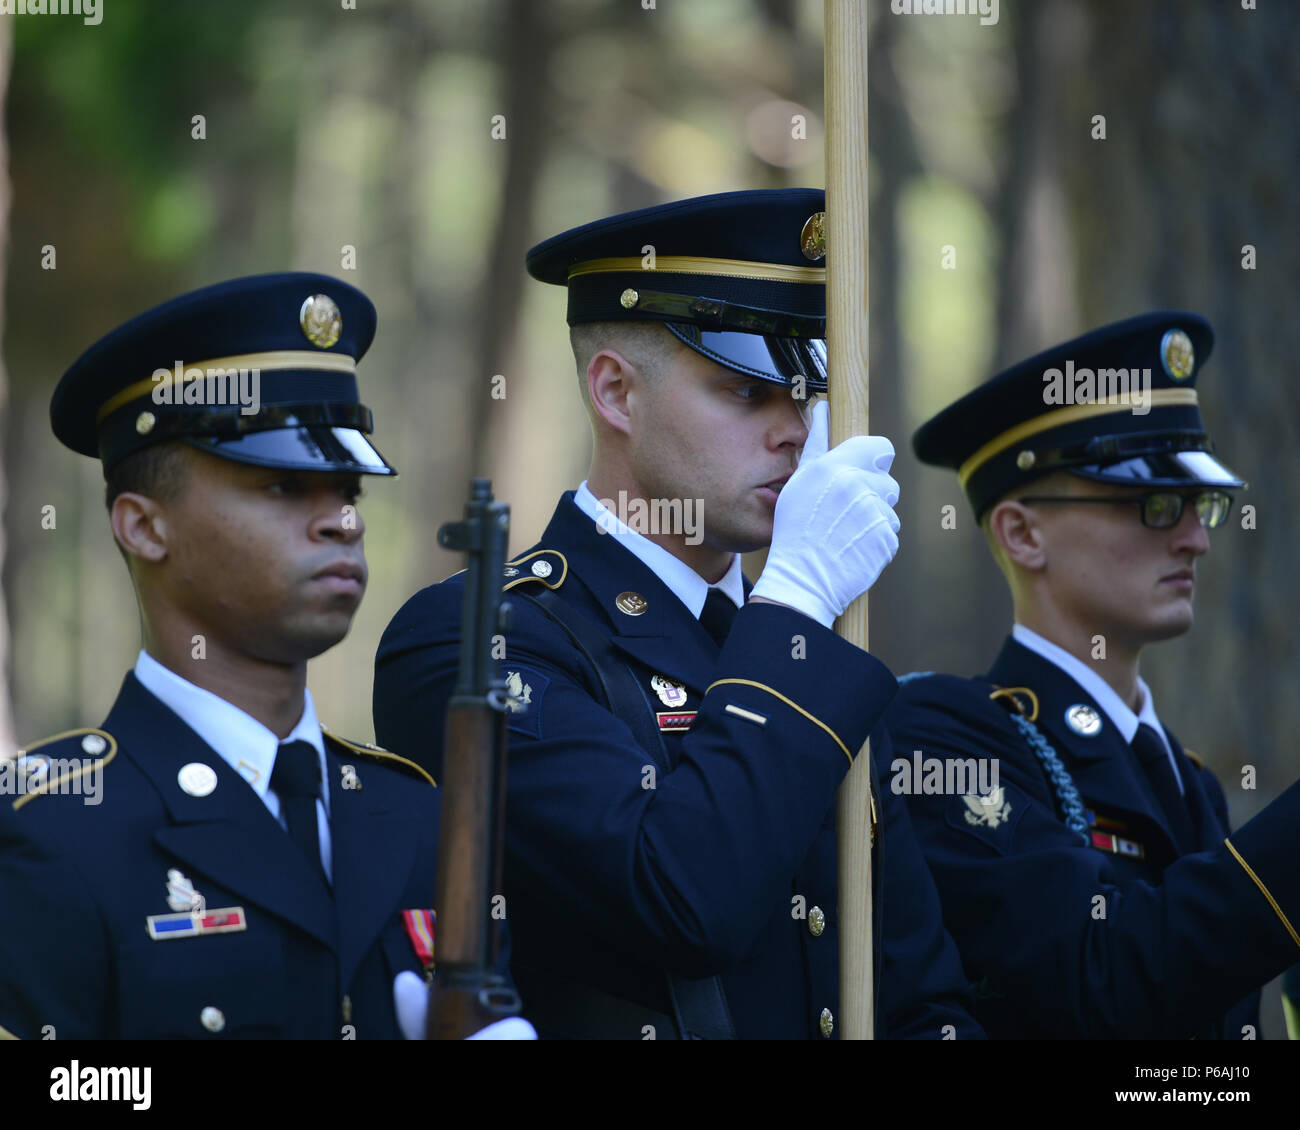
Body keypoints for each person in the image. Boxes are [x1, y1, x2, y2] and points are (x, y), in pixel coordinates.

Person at [374, 188, 982, 1039]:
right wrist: (800, 600)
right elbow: (682, 900)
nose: (793, 434)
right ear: (617, 393)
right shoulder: (482, 641)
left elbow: (918, 999)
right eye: (745, 392)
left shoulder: (808, 647)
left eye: (803, 393)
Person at [0, 273, 452, 1040]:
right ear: (144, 527)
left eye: (348, 489)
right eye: (282, 485)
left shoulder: (415, 814)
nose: (341, 521)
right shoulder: (51, 832)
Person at [885, 312, 1300, 1039]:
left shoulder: (1186, 777)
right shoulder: (944, 738)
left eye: (1199, 505)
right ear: (1022, 532)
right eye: (1154, 505)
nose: (1197, 539)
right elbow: (1103, 973)